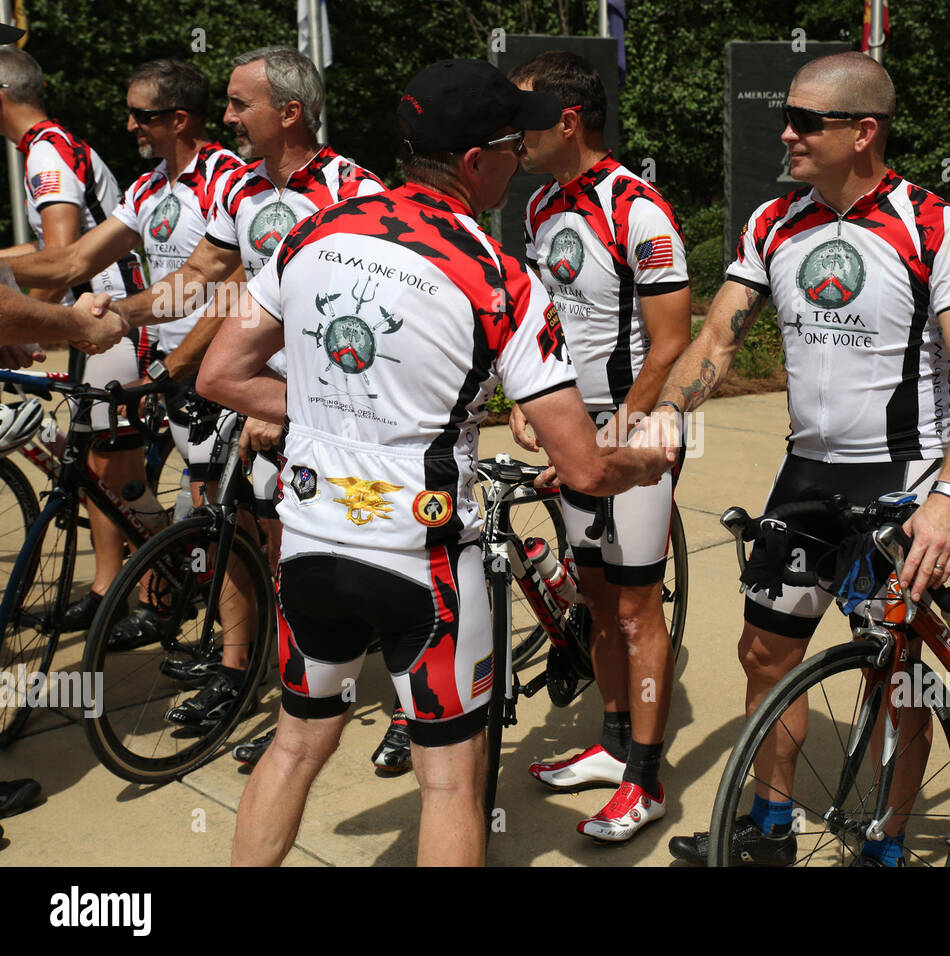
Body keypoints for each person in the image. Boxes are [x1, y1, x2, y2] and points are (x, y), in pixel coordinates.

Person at [199, 59, 676, 867]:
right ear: (474, 160)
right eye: (510, 147)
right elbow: (585, 470)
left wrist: (331, 412)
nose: (520, 160)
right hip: (422, 565)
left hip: (311, 546)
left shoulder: (317, 230)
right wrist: (644, 463)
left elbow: (221, 375)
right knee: (452, 785)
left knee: (292, 749)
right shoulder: (500, 277)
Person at [645, 51, 950, 865]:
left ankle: (886, 841)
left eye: (807, 120)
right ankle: (770, 827)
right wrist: (667, 414)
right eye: (788, 115)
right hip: (806, 476)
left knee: (897, 679)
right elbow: (715, 340)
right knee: (764, 652)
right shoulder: (774, 222)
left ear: (862, 132)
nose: (788, 132)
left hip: (903, 483)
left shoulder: (934, 225)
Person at [109, 47, 388, 734]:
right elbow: (202, 274)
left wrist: (304, 400)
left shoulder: (353, 189)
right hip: (260, 397)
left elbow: (375, 304)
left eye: (240, 105)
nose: (226, 117)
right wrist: (122, 314)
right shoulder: (245, 189)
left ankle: (390, 693)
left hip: (331, 403)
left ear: (289, 112)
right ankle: (239, 670)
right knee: (235, 527)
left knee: (342, 548)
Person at [501, 50, 691, 842]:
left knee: (641, 611)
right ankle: (614, 746)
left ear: (568, 122)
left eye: (525, 123)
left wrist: (616, 436)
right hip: (574, 437)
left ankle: (646, 784)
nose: (513, 138)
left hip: (633, 438)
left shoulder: (637, 208)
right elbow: (540, 318)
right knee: (598, 599)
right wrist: (529, 402)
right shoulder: (541, 205)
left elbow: (672, 340)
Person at [6, 58, 242, 627]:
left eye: (142, 115)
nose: (130, 125)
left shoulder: (229, 179)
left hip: (220, 366)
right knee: (187, 504)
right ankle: (175, 613)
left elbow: (226, 281)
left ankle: (251, 660)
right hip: (167, 363)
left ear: (180, 119)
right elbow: (73, 259)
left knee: (242, 525)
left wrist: (138, 335)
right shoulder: (149, 185)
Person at [0, 45, 151, 629]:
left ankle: (149, 587)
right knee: (97, 464)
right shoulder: (49, 144)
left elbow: (61, 256)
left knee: (112, 467)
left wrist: (22, 322)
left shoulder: (47, 149)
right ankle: (111, 590)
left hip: (107, 317)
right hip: (98, 314)